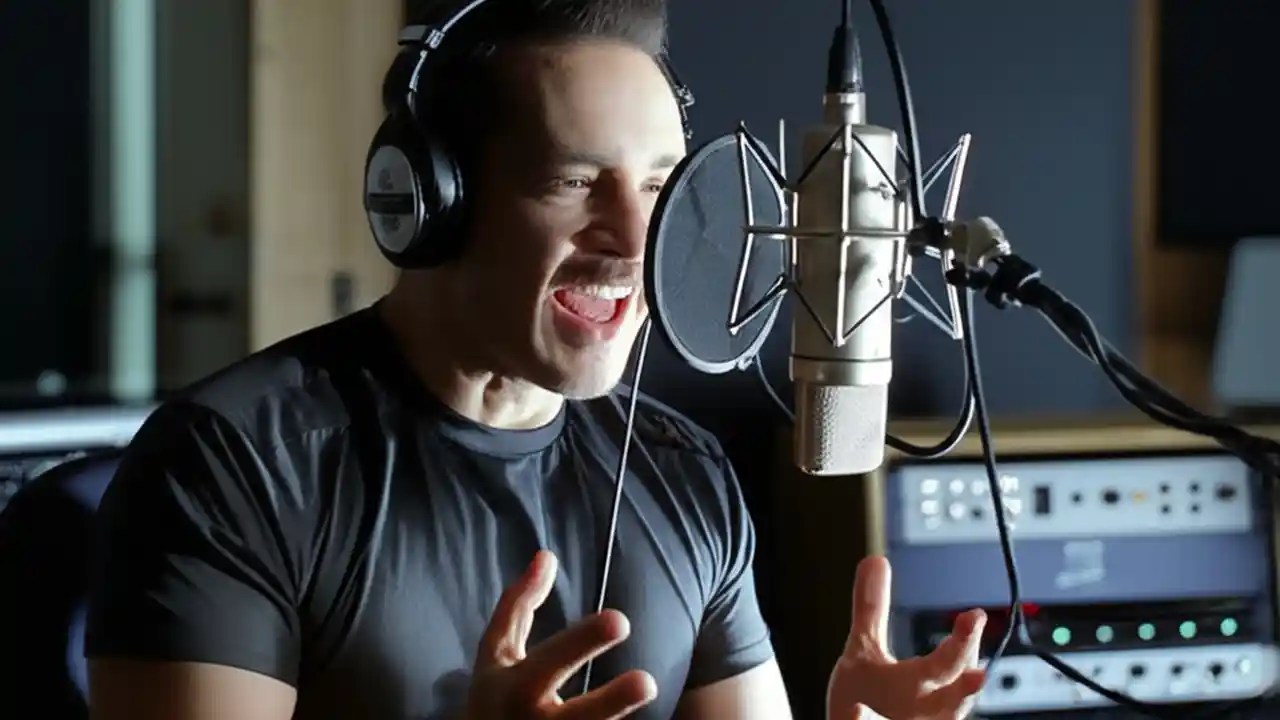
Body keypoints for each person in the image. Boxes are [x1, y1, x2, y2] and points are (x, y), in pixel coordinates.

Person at [84, 1, 988, 718]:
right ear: (429, 201)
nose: (638, 239)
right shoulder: (233, 464)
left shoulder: (685, 476)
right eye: (572, 181)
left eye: (662, 185)